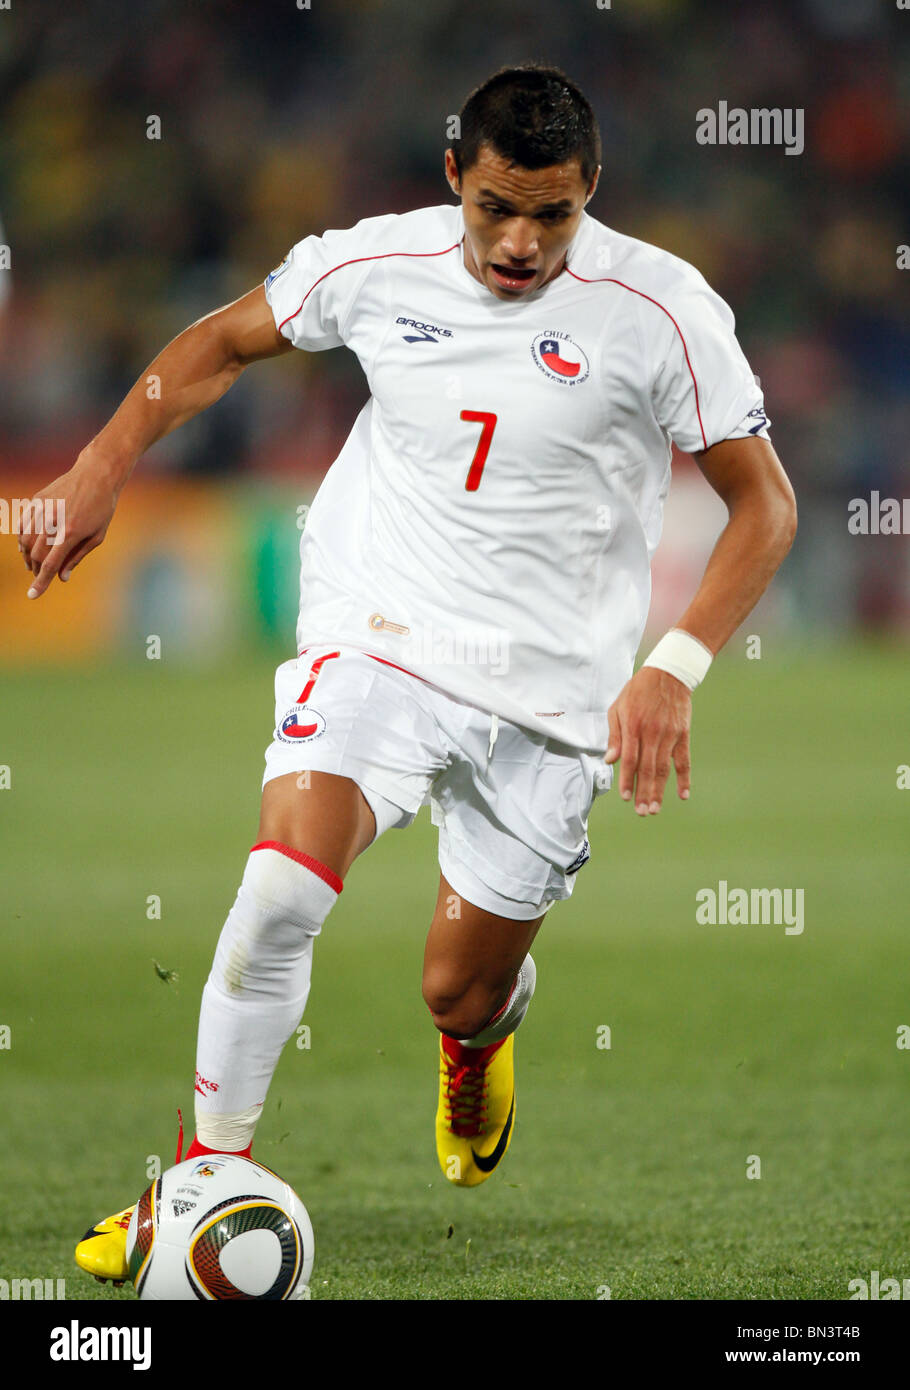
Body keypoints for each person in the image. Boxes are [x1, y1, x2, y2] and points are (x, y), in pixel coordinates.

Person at [17, 64, 796, 1285]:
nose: (523, 241)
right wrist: (102, 464)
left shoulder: (660, 308)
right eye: (497, 207)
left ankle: (478, 1041)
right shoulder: (374, 264)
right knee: (282, 886)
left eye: (554, 212)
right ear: (454, 178)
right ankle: (200, 1176)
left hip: (554, 693)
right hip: (380, 631)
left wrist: (673, 667)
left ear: (592, 192)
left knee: (456, 985)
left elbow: (765, 505)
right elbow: (222, 342)